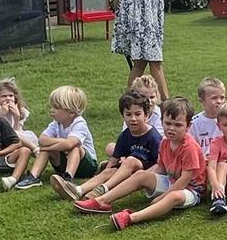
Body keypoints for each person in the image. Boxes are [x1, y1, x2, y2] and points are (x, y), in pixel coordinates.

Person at [75, 97, 205, 231]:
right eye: (167, 123)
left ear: (188, 126)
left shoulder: (189, 147)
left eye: (178, 125)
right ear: (161, 122)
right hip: (171, 180)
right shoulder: (165, 142)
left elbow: (184, 180)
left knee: (173, 196)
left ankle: (131, 217)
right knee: (140, 174)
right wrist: (139, 179)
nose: (171, 128)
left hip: (191, 190)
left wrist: (163, 196)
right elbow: (161, 167)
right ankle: (100, 201)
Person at [56, 90, 159, 202]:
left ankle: (103, 189)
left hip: (145, 174)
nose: (133, 118)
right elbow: (113, 161)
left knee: (131, 161)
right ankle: (78, 190)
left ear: (146, 115)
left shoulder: (153, 137)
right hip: (127, 171)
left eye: (137, 114)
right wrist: (106, 173)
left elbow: (160, 164)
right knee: (109, 171)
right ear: (123, 116)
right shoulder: (125, 136)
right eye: (128, 114)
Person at [16, 85, 94, 190]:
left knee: (75, 148)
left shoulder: (79, 123)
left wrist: (50, 147)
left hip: (86, 166)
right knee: (45, 151)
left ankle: (68, 178)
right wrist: (57, 145)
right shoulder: (56, 123)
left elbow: (70, 144)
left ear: (71, 112)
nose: (52, 110)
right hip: (63, 162)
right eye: (52, 106)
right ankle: (33, 176)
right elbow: (42, 140)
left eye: (56, 108)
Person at [0, 78, 36, 150]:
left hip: (17, 138)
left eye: (11, 96)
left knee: (16, 134)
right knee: (13, 134)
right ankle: (35, 149)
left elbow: (17, 131)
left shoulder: (21, 111)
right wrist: (1, 116)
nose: (8, 98)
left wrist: (17, 117)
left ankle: (34, 149)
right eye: (4, 96)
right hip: (0, 139)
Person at [188, 77, 226, 155]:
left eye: (222, 98)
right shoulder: (194, 123)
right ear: (202, 101)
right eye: (214, 98)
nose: (219, 101)